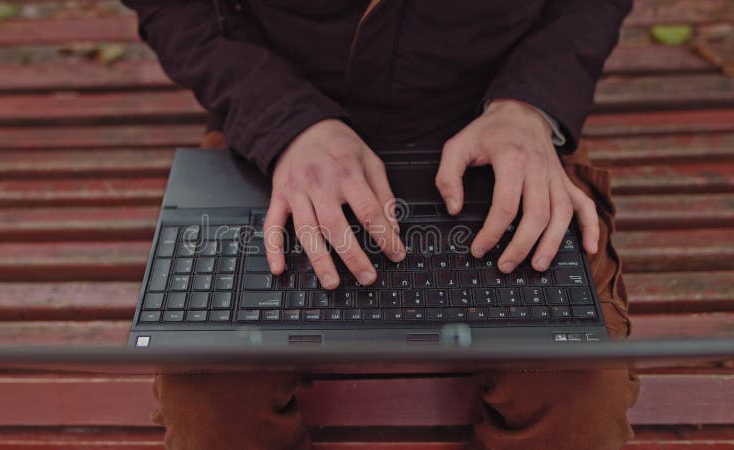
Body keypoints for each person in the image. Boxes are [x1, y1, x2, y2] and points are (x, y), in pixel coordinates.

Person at [122, 1, 641, 448]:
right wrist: (285, 123)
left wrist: (529, 106)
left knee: (578, 394)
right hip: (277, 131)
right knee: (211, 395)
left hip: (498, 131)